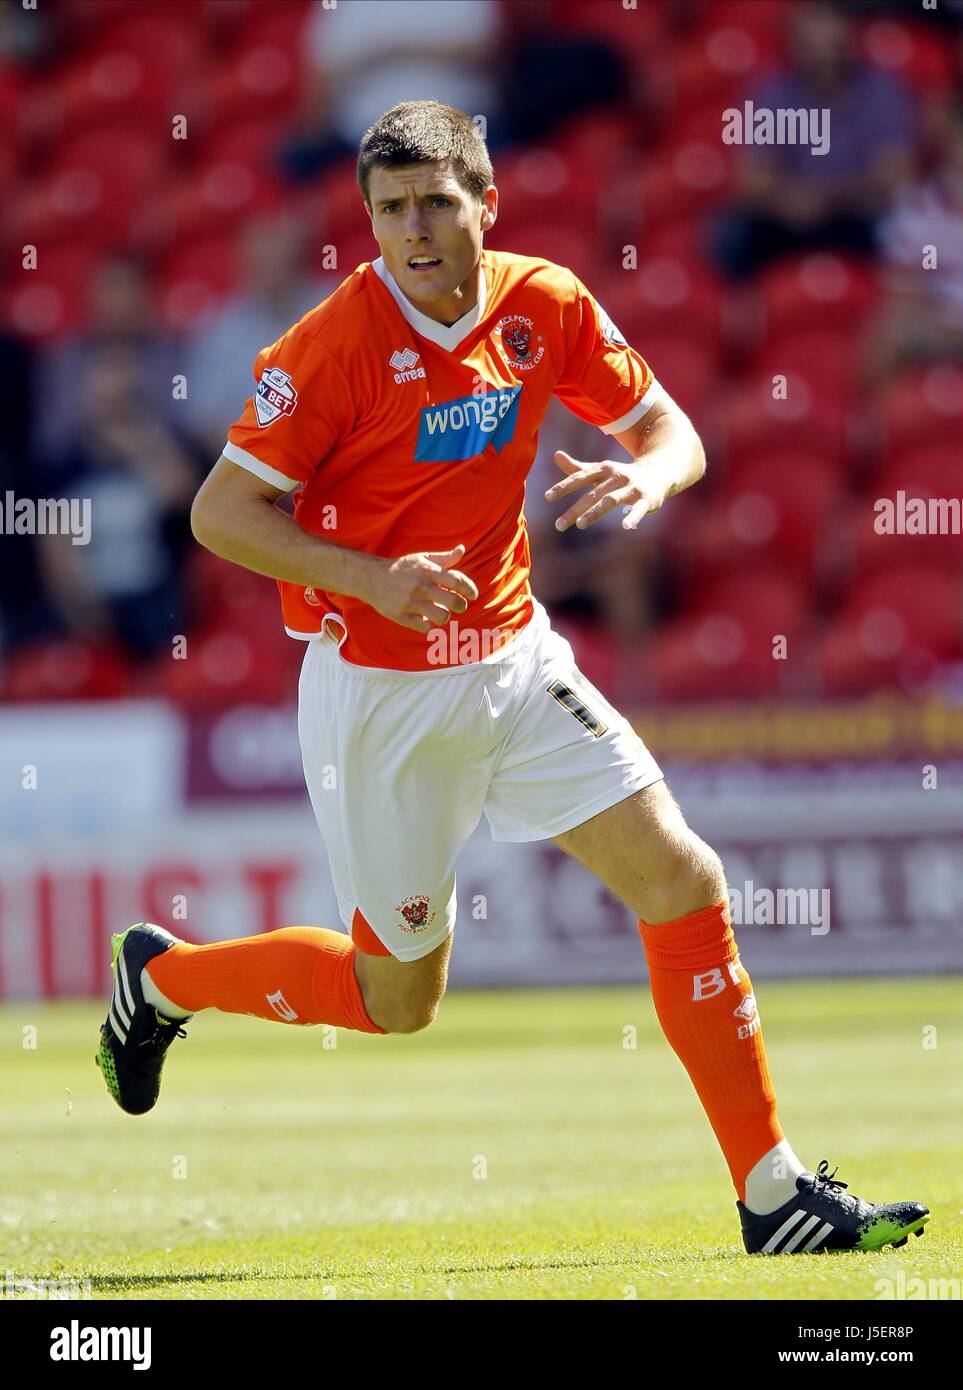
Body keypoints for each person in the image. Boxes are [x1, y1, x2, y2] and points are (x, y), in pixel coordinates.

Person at [95, 101, 928, 1257]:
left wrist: (650, 482)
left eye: (438, 201)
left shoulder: (543, 304)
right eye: (390, 210)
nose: (415, 229)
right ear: (370, 222)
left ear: (488, 202)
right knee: (400, 1000)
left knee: (684, 880)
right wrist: (372, 579)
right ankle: (167, 978)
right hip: (380, 696)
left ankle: (771, 1190)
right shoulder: (331, 346)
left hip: (516, 658)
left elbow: (671, 431)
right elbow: (220, 513)